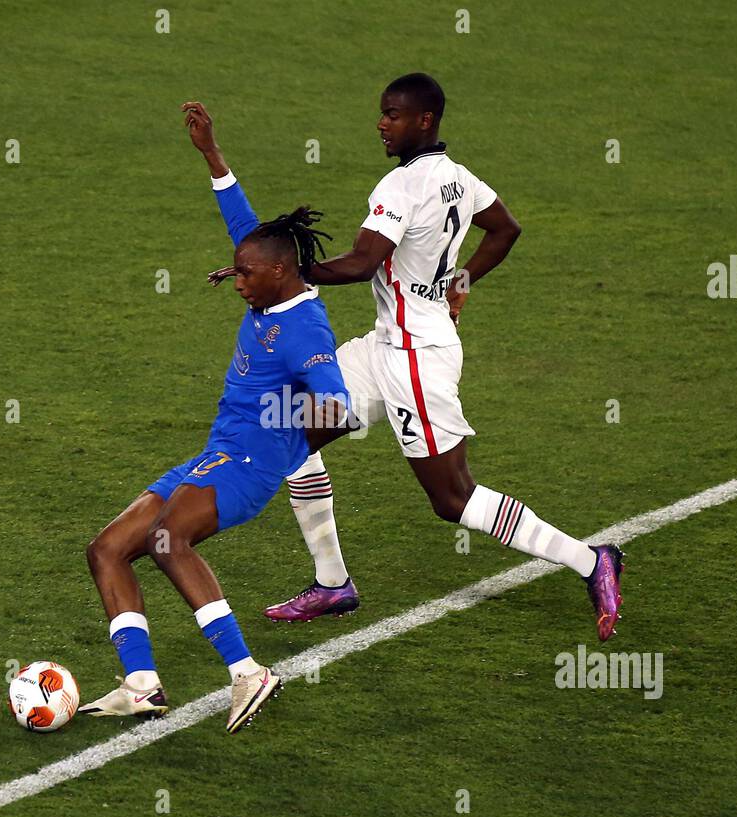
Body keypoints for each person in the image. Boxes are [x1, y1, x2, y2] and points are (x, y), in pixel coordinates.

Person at [254, 73, 625, 639]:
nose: (382, 123)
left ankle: (590, 559)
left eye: (394, 114)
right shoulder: (458, 178)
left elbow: (359, 263)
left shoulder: (399, 188)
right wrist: (462, 282)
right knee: (285, 432)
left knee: (453, 499)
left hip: (416, 361)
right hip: (386, 346)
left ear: (425, 121)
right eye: (382, 112)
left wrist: (286, 274)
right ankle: (333, 585)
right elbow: (505, 228)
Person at [79, 101, 351, 732]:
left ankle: (248, 674)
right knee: (108, 549)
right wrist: (211, 153)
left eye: (246, 275)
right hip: (217, 452)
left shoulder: (305, 327)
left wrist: (285, 444)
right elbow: (245, 227)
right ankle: (142, 684)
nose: (236, 282)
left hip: (250, 462)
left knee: (170, 540)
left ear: (280, 275)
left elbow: (337, 409)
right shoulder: (269, 270)